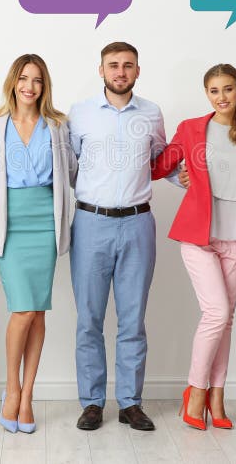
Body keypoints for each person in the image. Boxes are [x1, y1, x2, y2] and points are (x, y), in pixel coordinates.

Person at [0, 54, 76, 434]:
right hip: (9, 223)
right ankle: (11, 390)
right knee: (23, 310)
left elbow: (74, 172)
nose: (29, 86)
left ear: (45, 86)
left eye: (37, 80)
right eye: (24, 78)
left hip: (46, 221)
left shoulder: (58, 125)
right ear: (12, 82)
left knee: (38, 311)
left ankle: (27, 397)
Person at [152, 64, 236, 430]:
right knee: (216, 313)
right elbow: (158, 166)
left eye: (228, 89)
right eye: (215, 91)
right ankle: (196, 392)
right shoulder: (191, 128)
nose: (222, 97)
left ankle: (218, 397)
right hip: (200, 236)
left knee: (225, 318)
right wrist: (178, 176)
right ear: (207, 94)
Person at [68, 41, 172, 432]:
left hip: (138, 224)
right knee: (89, 319)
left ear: (138, 71)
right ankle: (92, 402)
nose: (121, 72)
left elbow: (161, 161)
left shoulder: (151, 113)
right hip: (91, 223)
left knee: (132, 320)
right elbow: (70, 168)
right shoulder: (79, 114)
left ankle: (130, 402)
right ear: (101, 70)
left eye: (128, 65)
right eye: (113, 65)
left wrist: (201, 176)